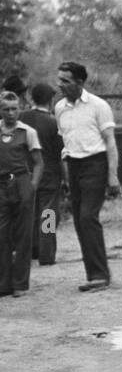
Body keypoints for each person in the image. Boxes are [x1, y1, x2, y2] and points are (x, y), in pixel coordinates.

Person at [54, 61, 118, 292]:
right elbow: (65, 143)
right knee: (81, 223)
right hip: (73, 166)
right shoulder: (60, 108)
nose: (60, 84)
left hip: (95, 165)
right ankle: (93, 274)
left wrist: (113, 176)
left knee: (87, 218)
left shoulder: (98, 106)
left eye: (65, 80)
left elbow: (110, 142)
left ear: (80, 82)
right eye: (59, 79)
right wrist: (65, 176)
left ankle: (101, 275)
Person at [0, 89, 43, 297]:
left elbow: (38, 163)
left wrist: (32, 186)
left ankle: (20, 283)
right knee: (2, 235)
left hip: (23, 183)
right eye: (6, 109)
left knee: (24, 234)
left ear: (20, 110)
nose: (10, 113)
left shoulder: (28, 132)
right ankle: (4, 283)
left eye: (14, 109)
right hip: (2, 186)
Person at [20, 81, 62, 265]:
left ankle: (29, 251)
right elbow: (60, 155)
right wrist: (66, 179)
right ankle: (47, 254)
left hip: (25, 174)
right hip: (49, 176)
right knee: (48, 215)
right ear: (50, 100)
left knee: (28, 213)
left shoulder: (21, 117)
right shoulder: (53, 122)